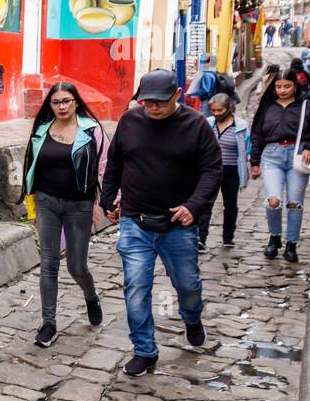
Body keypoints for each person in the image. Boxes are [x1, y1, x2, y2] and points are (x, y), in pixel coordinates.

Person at [101, 70, 221, 377]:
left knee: (187, 286)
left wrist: (194, 206)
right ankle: (144, 350)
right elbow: (115, 161)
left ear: (178, 94)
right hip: (135, 222)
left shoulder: (196, 126)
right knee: (136, 288)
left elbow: (211, 171)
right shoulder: (130, 121)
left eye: (160, 103)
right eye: (147, 102)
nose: (153, 108)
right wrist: (108, 198)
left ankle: (192, 318)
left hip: (177, 225)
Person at [21, 83, 108, 348]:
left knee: (76, 266)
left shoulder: (92, 131)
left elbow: (105, 167)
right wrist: (32, 208)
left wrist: (106, 202)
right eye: (56, 102)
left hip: (79, 206)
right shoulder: (41, 131)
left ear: (76, 102)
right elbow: (30, 169)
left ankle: (91, 296)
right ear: (50, 105)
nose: (61, 106)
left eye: (66, 101)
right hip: (47, 202)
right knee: (48, 263)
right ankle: (48, 323)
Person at [250, 66, 310, 263]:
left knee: (295, 203)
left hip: (298, 156)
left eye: (287, 86)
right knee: (273, 201)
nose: (283, 90)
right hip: (272, 156)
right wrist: (254, 162)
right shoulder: (267, 107)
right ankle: (274, 237)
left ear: (295, 86)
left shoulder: (307, 107)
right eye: (278, 86)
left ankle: (291, 244)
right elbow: (256, 136)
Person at [198, 94, 250, 249]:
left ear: (229, 108)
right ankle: (201, 238)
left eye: (219, 110)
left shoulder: (240, 126)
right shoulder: (207, 124)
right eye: (213, 110)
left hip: (231, 169)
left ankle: (228, 237)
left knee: (230, 204)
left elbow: (247, 148)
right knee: (206, 203)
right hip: (210, 169)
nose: (216, 113)